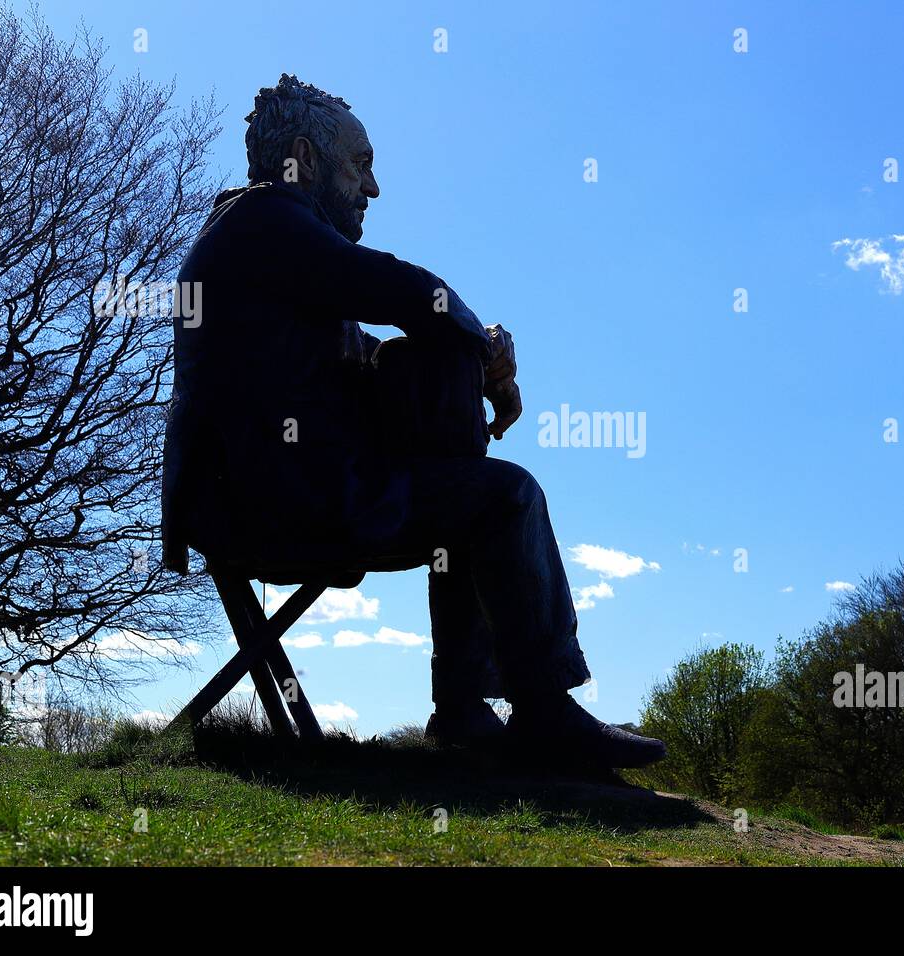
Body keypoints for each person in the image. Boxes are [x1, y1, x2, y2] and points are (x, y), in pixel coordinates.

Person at [161, 74, 664, 769]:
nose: (372, 190)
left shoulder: (267, 251)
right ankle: (535, 708)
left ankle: (470, 710)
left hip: (266, 490)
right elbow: (403, 289)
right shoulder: (263, 220)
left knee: (453, 440)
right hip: (267, 500)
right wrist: (484, 350)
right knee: (503, 495)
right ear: (302, 157)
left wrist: (468, 357)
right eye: (360, 165)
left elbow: (368, 357)